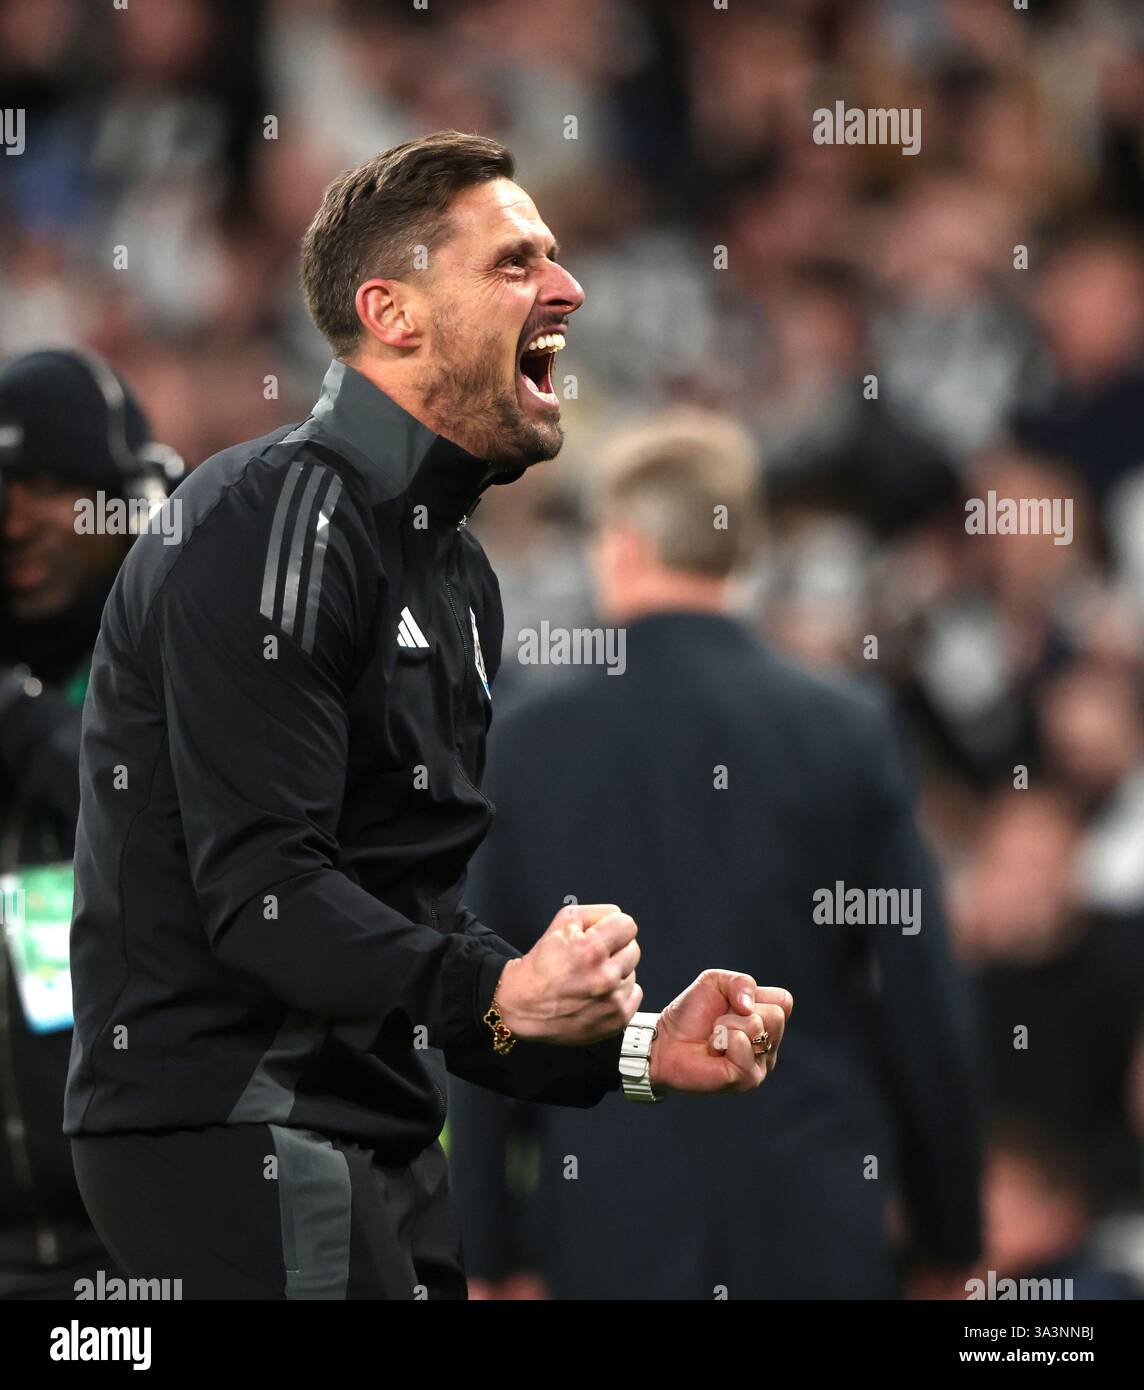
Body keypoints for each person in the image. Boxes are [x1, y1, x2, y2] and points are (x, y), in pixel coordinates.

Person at [64, 131, 794, 1301]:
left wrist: (634, 1046)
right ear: (391, 313)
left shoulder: (456, 575)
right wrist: (499, 992)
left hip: (372, 1142)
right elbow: (267, 892)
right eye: (515, 263)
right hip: (243, 1132)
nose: (567, 287)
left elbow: (409, 938)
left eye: (553, 257)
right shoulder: (274, 523)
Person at [448, 408, 983, 1299]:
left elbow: (495, 1003)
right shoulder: (846, 729)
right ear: (747, 548)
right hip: (813, 1216)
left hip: (606, 1225)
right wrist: (948, 1240)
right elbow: (923, 1004)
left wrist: (492, 1253)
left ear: (617, 544)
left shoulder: (525, 741)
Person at [0, 348, 179, 1297]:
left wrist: (25, 728)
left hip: (154, 1240)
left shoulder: (192, 647)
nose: (15, 517)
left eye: (47, 484)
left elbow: (161, 817)